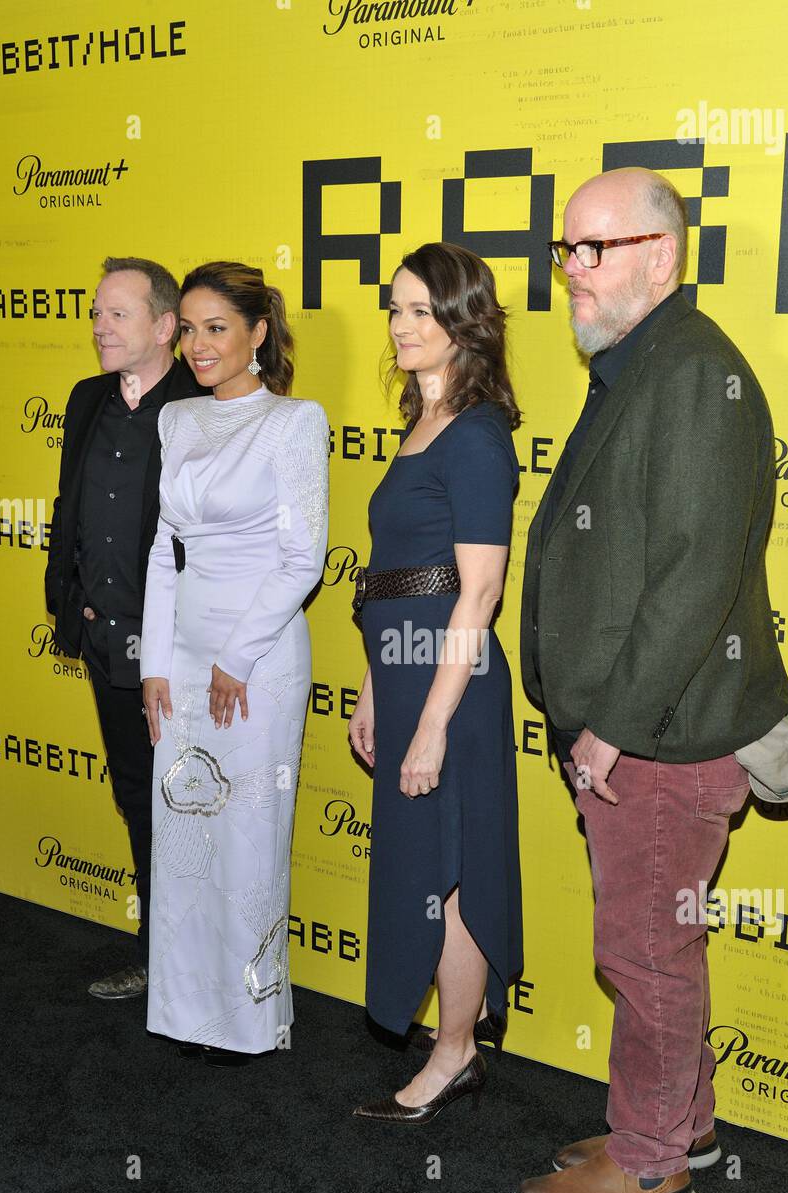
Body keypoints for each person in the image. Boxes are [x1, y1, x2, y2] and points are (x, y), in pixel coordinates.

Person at [515, 167, 788, 1193]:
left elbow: (691, 577)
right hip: (645, 727)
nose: (572, 274)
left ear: (661, 256)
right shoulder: (639, 363)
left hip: (660, 737)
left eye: (596, 251)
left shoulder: (686, 373)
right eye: (565, 252)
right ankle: (683, 1122)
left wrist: (610, 733)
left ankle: (645, 1163)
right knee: (660, 937)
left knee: (640, 949)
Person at [349, 242, 523, 1122]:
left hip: (454, 685)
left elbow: (478, 592)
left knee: (452, 872)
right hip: (409, 675)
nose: (402, 325)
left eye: (423, 311)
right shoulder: (422, 425)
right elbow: (396, 572)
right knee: (431, 866)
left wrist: (430, 725)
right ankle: (455, 1039)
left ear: (464, 324)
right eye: (396, 308)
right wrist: (380, 689)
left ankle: (453, 1052)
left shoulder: (479, 438)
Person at [140, 262, 329, 1067]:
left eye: (216, 327)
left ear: (257, 333)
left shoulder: (293, 421)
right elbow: (162, 548)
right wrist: (157, 659)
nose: (197, 344)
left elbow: (303, 557)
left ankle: (249, 1019)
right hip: (182, 658)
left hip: (257, 658)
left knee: (248, 837)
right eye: (186, 328)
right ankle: (187, 1011)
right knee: (182, 837)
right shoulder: (176, 419)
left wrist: (235, 657)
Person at [45, 257, 209, 1001]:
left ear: (164, 327)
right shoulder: (85, 400)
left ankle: (201, 963)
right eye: (96, 312)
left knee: (191, 800)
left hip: (181, 651)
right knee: (137, 795)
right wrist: (69, 600)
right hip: (106, 643)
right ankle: (158, 956)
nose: (98, 326)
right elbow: (69, 506)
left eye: (116, 314)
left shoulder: (202, 406)